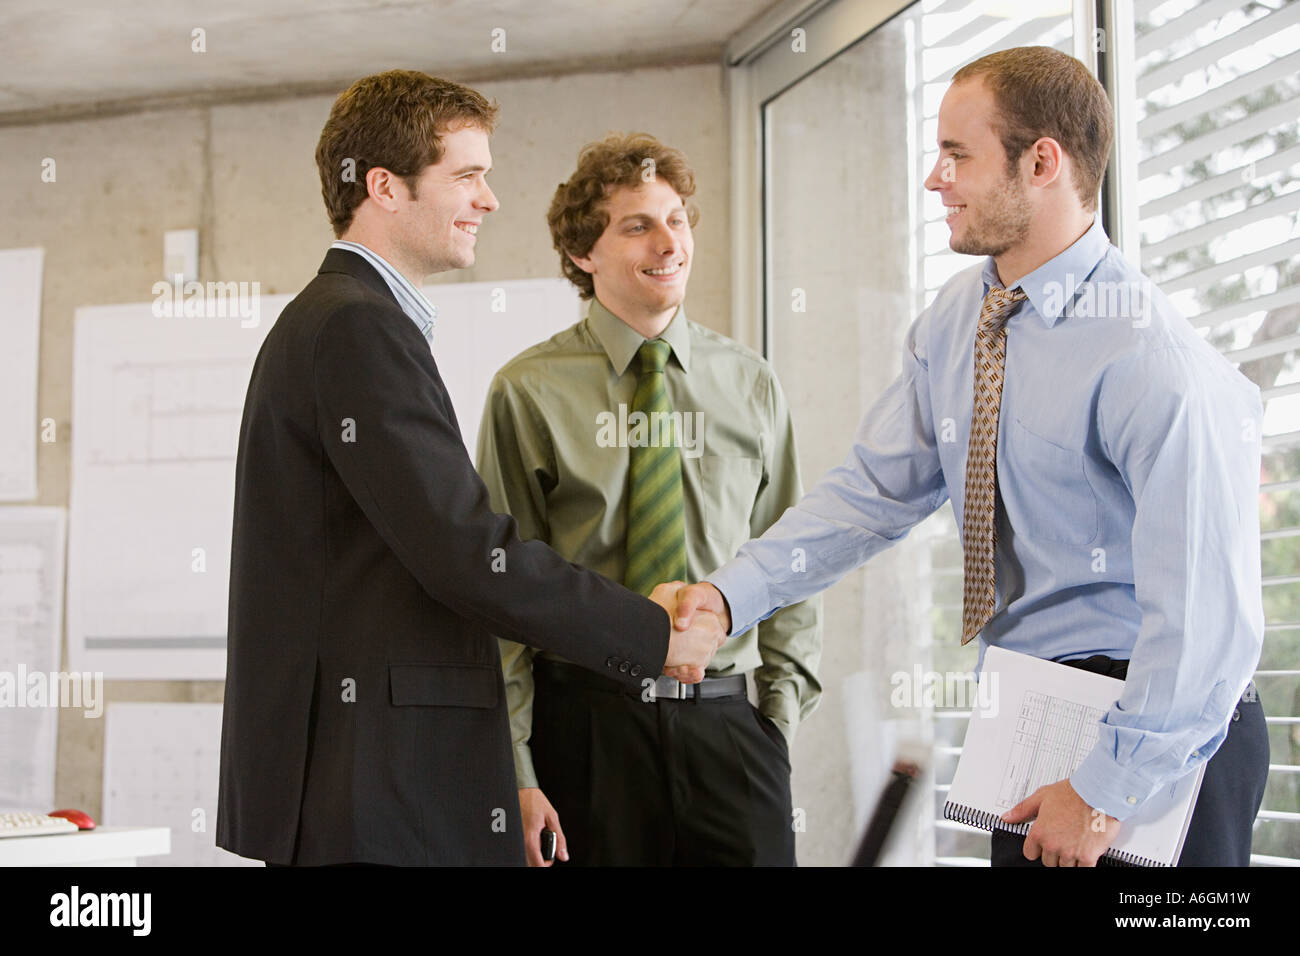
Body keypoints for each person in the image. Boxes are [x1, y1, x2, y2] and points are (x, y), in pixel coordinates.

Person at [672, 46, 1268, 867]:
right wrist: (727, 594)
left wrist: (1104, 790)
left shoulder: (1149, 359)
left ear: (1041, 163)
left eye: (957, 154)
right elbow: (872, 493)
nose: (934, 180)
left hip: (1159, 734)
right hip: (1031, 718)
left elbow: (1207, 621)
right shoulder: (959, 320)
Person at [216, 71, 724, 867]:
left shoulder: (346, 320)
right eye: (467, 175)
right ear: (384, 187)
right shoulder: (356, 327)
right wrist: (650, 631)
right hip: (375, 791)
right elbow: (466, 553)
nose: (488, 199)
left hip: (360, 784)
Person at [476, 133, 822, 866]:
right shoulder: (527, 392)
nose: (669, 242)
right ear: (583, 253)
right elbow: (499, 598)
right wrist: (519, 770)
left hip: (731, 733)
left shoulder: (750, 382)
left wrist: (776, 727)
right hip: (587, 736)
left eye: (678, 219)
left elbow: (793, 561)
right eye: (637, 225)